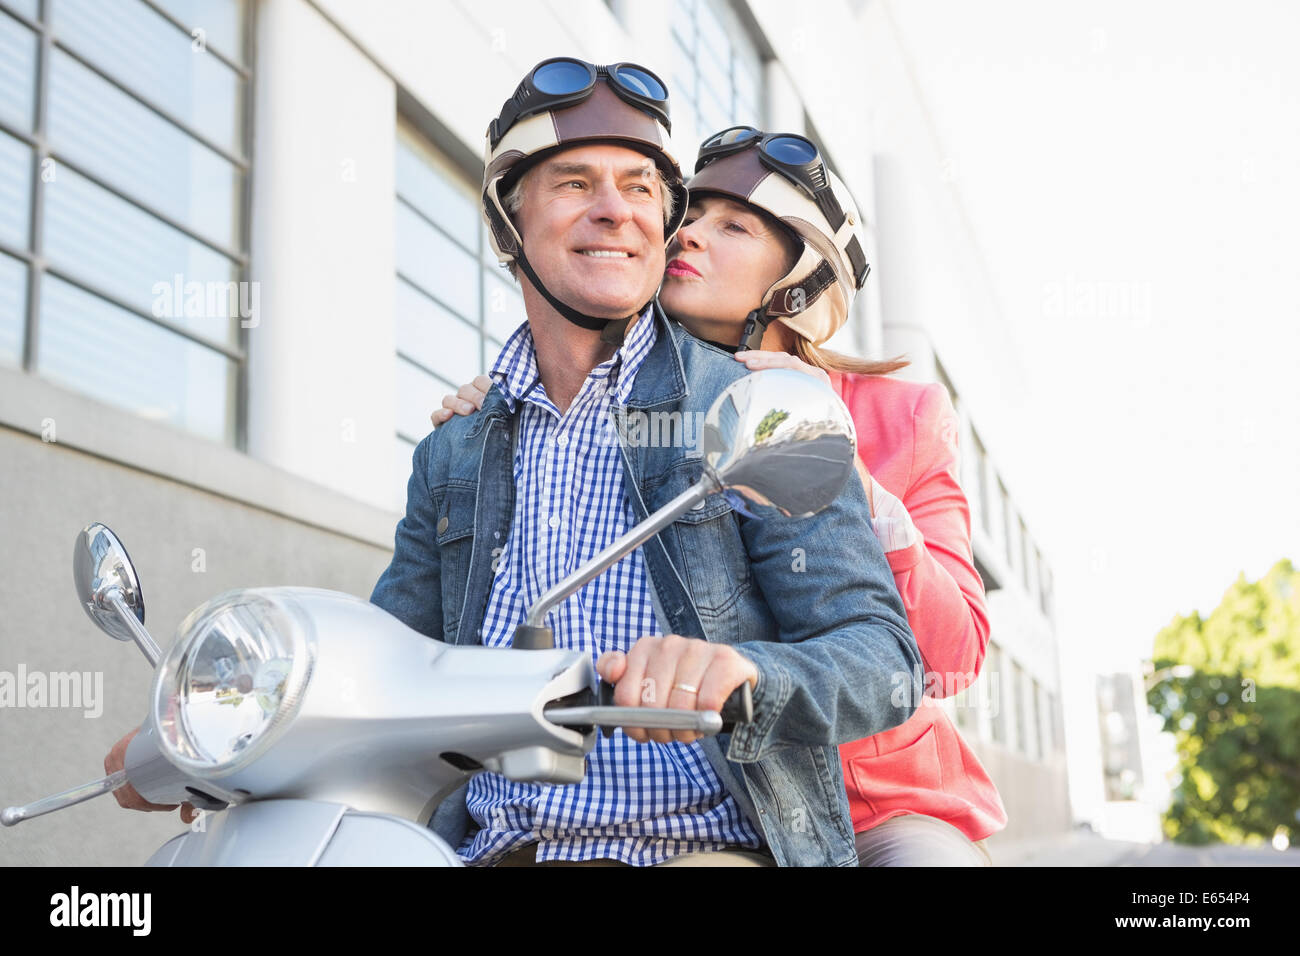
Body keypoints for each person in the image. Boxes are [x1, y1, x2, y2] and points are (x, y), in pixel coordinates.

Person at [103, 58, 921, 868]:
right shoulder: (455, 447)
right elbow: (380, 660)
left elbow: (884, 662)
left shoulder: (747, 408)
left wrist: (742, 673)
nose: (616, 211)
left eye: (640, 188)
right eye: (574, 184)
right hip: (488, 850)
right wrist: (219, 727)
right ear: (508, 223)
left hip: (700, 848)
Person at [434, 124, 1007, 866]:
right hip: (727, 788)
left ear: (797, 282)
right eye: (690, 217)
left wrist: (837, 463)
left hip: (880, 796)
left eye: (731, 226)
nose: (689, 237)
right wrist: (495, 411)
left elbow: (951, 652)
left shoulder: (904, 415)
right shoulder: (649, 398)